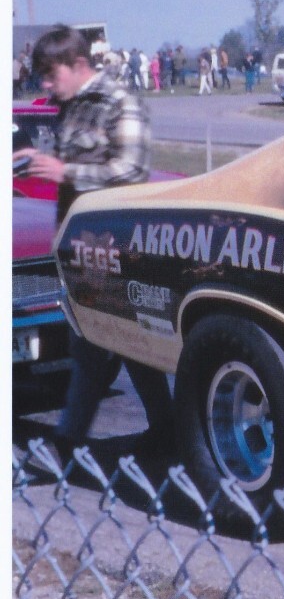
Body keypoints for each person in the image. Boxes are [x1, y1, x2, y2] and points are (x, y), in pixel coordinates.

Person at [14, 25, 174, 458]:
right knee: (98, 345)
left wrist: (64, 172)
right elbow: (76, 158)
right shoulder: (70, 107)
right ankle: (154, 430)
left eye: (52, 75)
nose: (47, 86)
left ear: (79, 64)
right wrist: (36, 160)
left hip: (115, 249)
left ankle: (73, 441)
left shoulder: (120, 104)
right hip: (78, 250)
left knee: (118, 344)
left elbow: (131, 172)